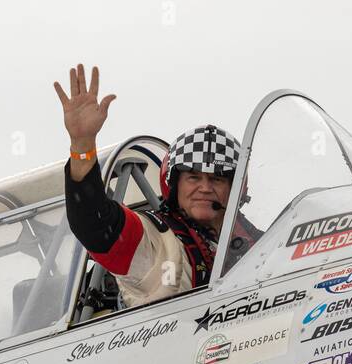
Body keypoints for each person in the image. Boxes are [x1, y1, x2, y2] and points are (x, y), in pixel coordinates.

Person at [54, 64, 244, 308]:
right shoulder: (155, 240)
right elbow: (94, 223)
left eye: (216, 179)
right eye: (193, 178)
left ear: (236, 187)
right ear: (174, 185)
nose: (205, 187)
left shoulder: (261, 242)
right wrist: (82, 145)